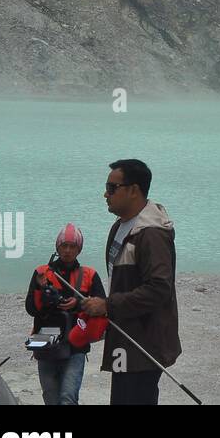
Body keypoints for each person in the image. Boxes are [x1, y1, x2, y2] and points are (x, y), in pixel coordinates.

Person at [80, 158, 181, 406]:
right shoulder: (122, 227)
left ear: (134, 190)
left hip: (144, 343)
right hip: (125, 337)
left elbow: (159, 288)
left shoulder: (151, 234)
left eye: (112, 188)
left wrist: (107, 305)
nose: (106, 194)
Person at [25, 223, 108, 405]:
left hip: (75, 346)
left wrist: (78, 304)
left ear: (79, 250)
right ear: (57, 247)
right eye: (64, 246)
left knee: (68, 397)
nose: (68, 251)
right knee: (50, 397)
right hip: (45, 343)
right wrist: (42, 290)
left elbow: (103, 307)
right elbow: (31, 308)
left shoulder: (89, 275)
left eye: (73, 247)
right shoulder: (41, 273)